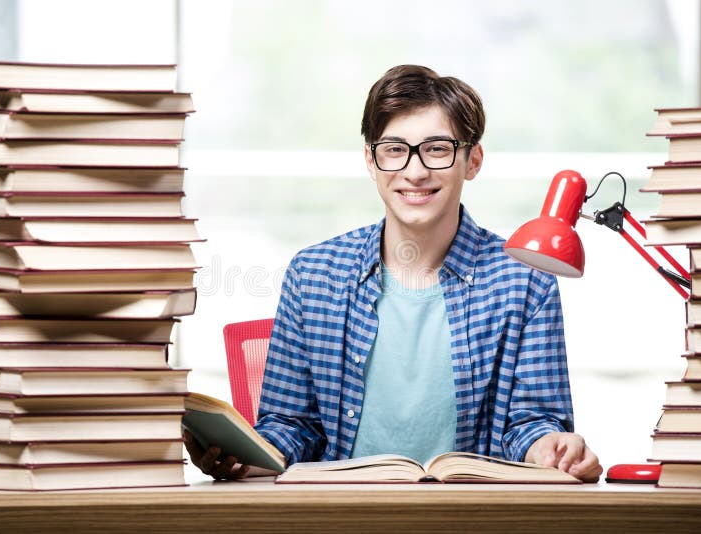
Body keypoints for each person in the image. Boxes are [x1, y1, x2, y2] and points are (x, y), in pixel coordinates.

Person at [185, 64, 603, 482]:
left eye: (437, 149)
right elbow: (295, 428)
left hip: (473, 515)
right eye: (394, 149)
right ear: (371, 160)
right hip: (340, 512)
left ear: (472, 160)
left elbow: (531, 424)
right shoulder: (312, 275)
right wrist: (245, 452)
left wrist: (549, 448)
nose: (415, 171)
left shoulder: (526, 278)